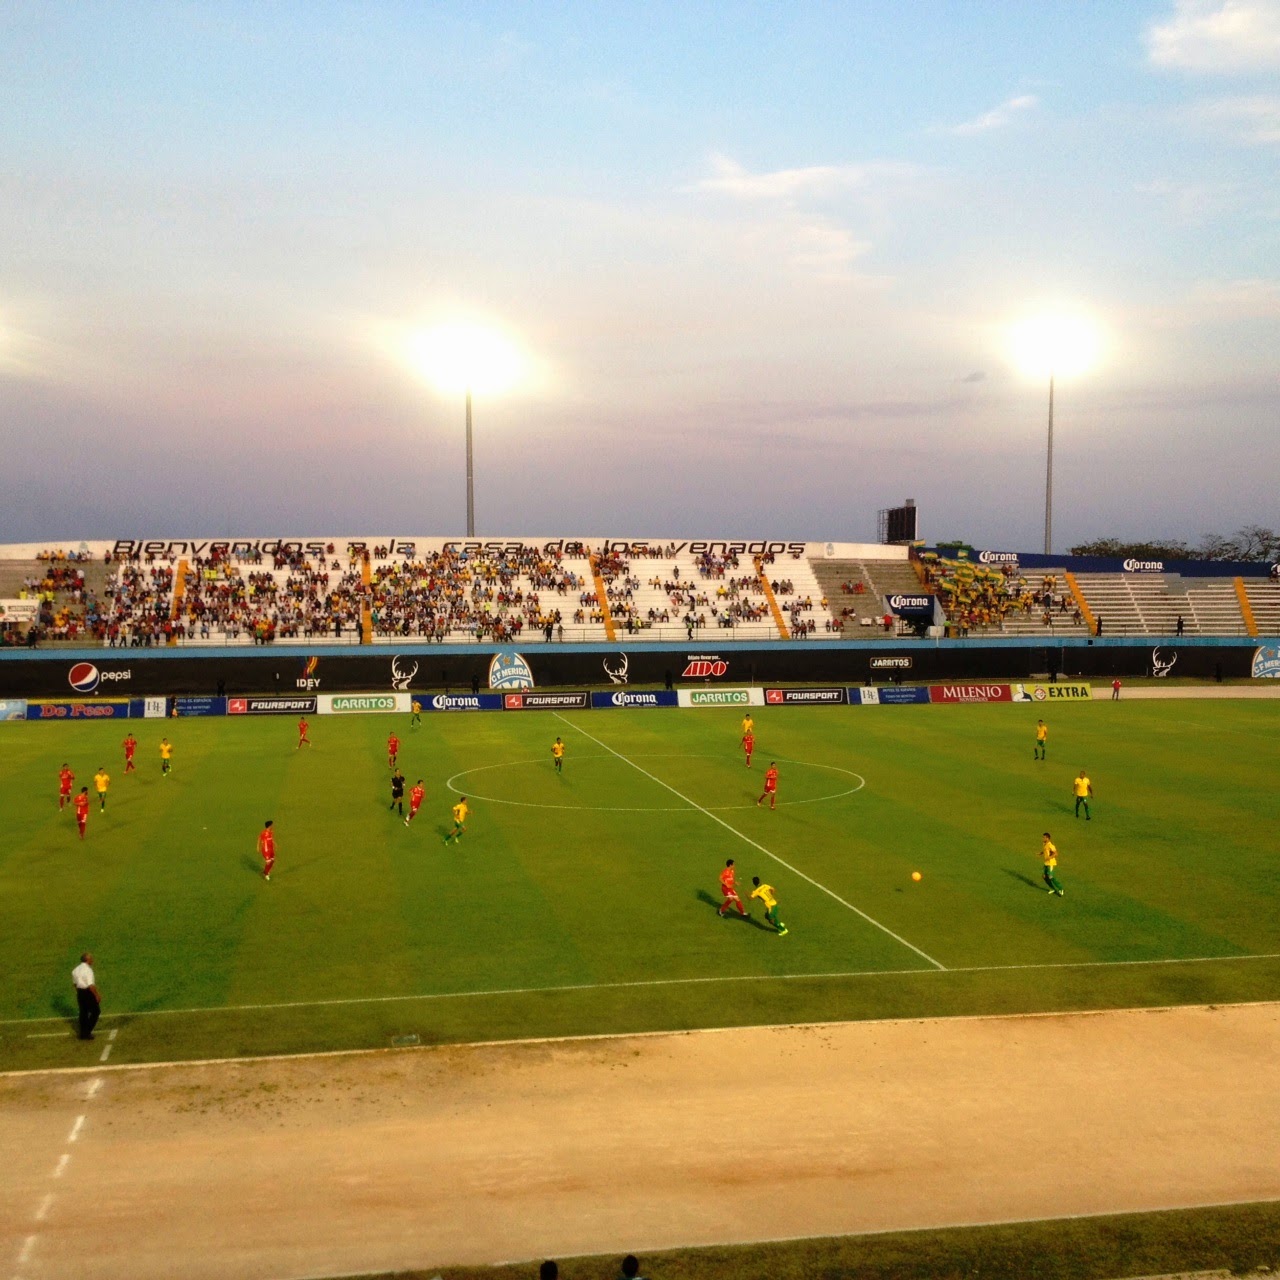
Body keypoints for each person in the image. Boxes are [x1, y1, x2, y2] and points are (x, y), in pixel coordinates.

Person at [72, 952, 101, 1040]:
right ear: (87, 960)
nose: (92, 960)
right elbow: (91, 985)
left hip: (80, 992)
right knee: (96, 1011)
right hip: (88, 992)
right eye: (91, 959)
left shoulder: (75, 970)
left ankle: (83, 1032)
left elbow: (75, 984)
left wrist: (79, 992)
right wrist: (97, 995)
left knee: (83, 1012)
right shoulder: (88, 970)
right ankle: (87, 1031)